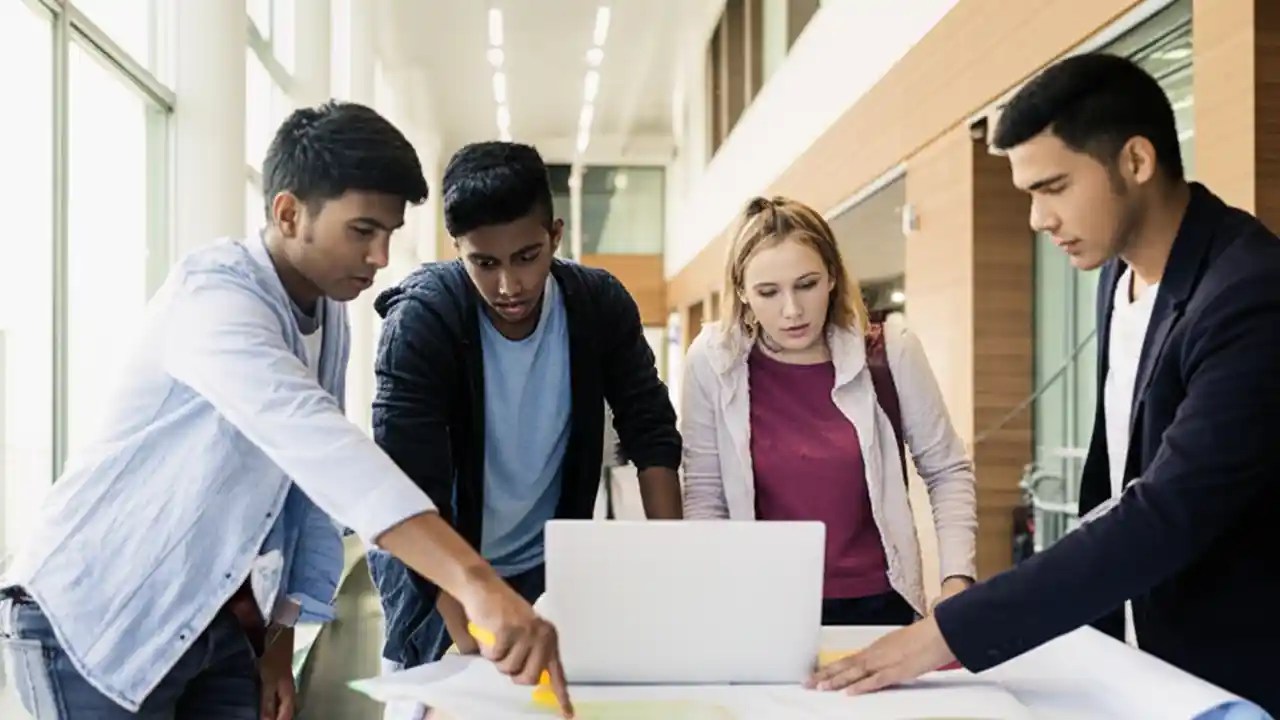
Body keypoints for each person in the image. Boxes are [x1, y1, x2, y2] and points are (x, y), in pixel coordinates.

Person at [0, 102, 572, 720]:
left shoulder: (328, 313)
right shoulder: (216, 297)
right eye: (363, 231)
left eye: (389, 233)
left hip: (209, 619)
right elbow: (321, 447)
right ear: (288, 212)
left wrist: (279, 641)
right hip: (100, 615)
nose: (381, 256)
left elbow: (299, 498)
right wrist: (477, 583)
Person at [810, 53, 1280, 716]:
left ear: (1136, 162)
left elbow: (1165, 514)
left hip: (1237, 678)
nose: (1035, 218)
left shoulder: (1249, 294)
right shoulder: (1119, 280)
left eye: (1052, 187)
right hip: (1139, 666)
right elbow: (1117, 485)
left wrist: (947, 633)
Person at [367, 141, 682, 696]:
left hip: (547, 569)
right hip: (437, 571)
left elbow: (651, 430)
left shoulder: (598, 305)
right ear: (456, 248)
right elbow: (405, 488)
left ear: (555, 236)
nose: (509, 286)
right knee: (449, 702)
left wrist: (670, 565)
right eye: (484, 263)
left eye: (527, 257)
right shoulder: (422, 321)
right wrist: (470, 636)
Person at [681, 195, 977, 625]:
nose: (792, 310)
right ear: (742, 292)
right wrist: (716, 600)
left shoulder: (891, 350)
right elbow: (706, 496)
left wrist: (956, 581)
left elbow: (947, 470)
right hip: (761, 605)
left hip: (878, 604)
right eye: (768, 292)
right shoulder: (713, 360)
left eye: (807, 284)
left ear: (833, 276)